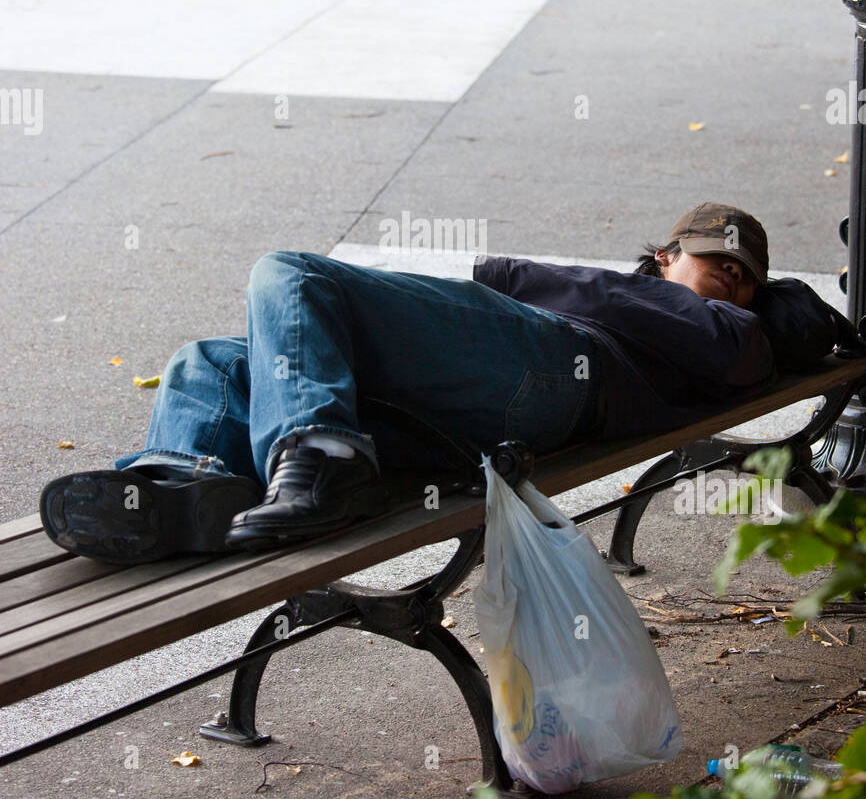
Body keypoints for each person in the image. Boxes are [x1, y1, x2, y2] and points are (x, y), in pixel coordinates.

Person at [39, 202, 850, 566]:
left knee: (289, 273)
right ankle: (185, 490)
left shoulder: (734, 332)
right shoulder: (642, 297)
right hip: (476, 408)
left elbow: (722, 342)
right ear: (667, 255)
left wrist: (517, 275)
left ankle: (321, 452)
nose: (732, 281)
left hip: (547, 370)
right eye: (718, 262)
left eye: (748, 276)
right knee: (209, 363)